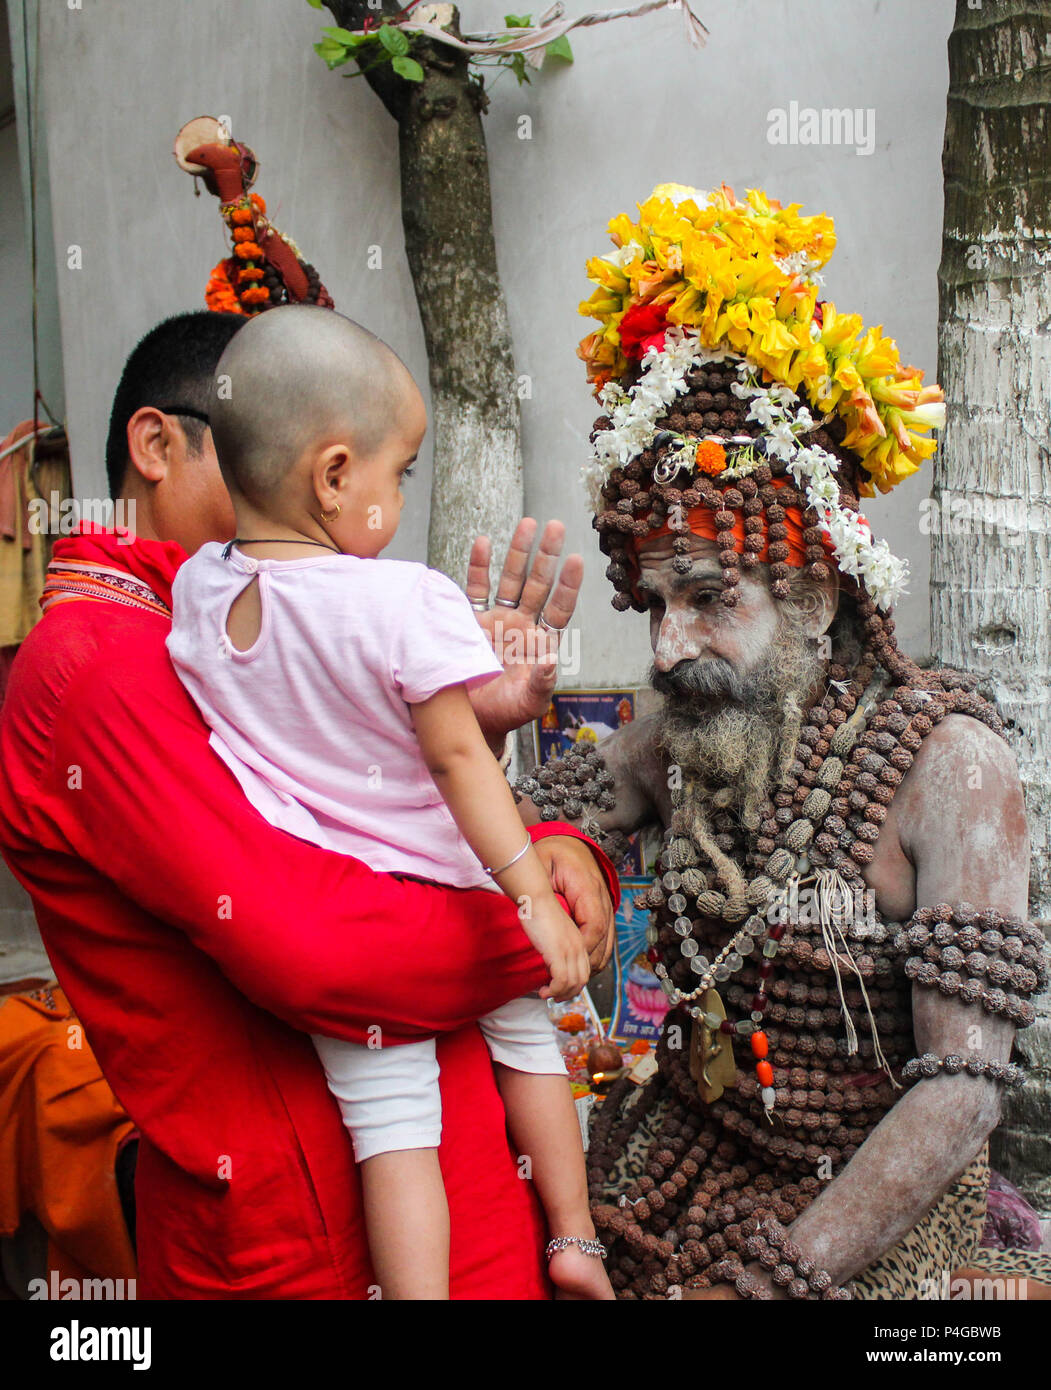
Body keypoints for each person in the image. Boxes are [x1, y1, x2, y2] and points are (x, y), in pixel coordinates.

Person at [0, 310, 618, 1299]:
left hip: (446, 1191)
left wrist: (490, 744)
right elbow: (314, 945)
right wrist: (535, 921)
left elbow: (352, 808)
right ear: (160, 445)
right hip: (308, 1235)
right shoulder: (96, 666)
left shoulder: (231, 614)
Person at [517, 183, 1051, 1299]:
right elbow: (517, 840)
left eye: (708, 600)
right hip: (668, 1160)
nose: (666, 648)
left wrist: (776, 1277)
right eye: (654, 605)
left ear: (812, 597)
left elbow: (961, 1085)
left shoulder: (946, 766)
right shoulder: (687, 737)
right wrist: (484, 728)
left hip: (859, 1204)